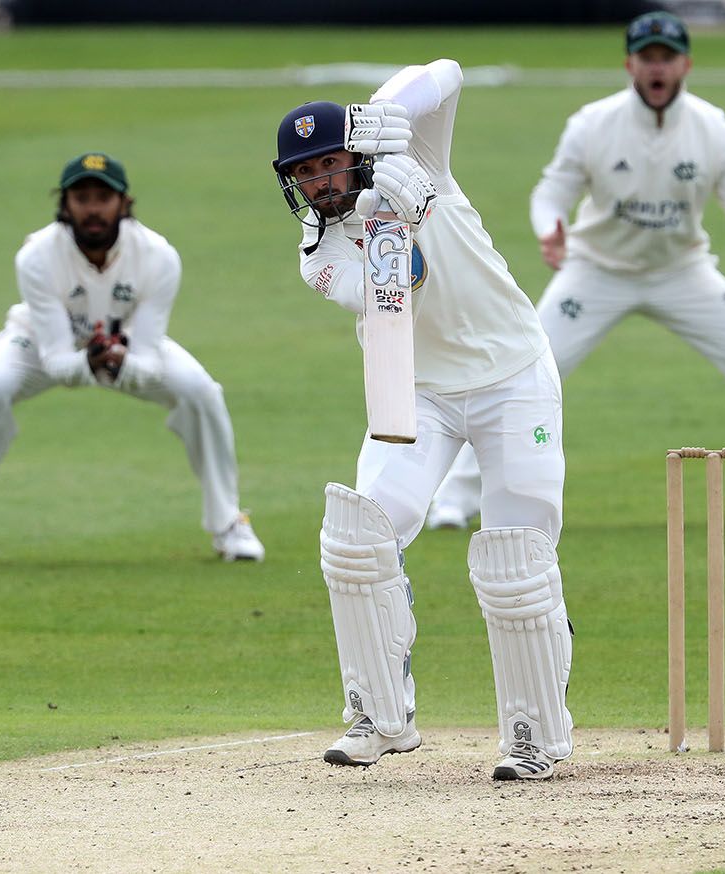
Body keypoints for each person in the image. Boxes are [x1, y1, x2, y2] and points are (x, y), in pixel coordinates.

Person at [426, 11, 725, 530]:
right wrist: (551, 226)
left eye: (667, 58)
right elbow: (551, 192)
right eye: (648, 58)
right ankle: (455, 499)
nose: (658, 68)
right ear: (630, 65)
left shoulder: (711, 126)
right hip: (596, 272)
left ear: (686, 65)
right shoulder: (593, 124)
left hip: (683, 272)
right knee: (524, 372)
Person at [273, 60, 574, 780]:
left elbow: (445, 73)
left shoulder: (418, 156)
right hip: (417, 391)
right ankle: (379, 716)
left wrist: (385, 114)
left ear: (355, 150)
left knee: (517, 560)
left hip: (512, 376)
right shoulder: (319, 253)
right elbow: (398, 286)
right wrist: (393, 221)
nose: (319, 182)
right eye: (304, 173)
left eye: (328, 163)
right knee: (357, 537)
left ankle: (533, 736)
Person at [0, 152, 264, 566]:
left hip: (126, 340)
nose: (92, 209)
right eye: (81, 198)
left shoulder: (159, 256)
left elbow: (147, 359)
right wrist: (89, 361)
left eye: (103, 198)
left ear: (124, 203)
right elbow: (58, 360)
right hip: (39, 342)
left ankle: (229, 524)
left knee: (202, 393)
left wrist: (119, 360)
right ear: (64, 204)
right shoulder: (36, 256)